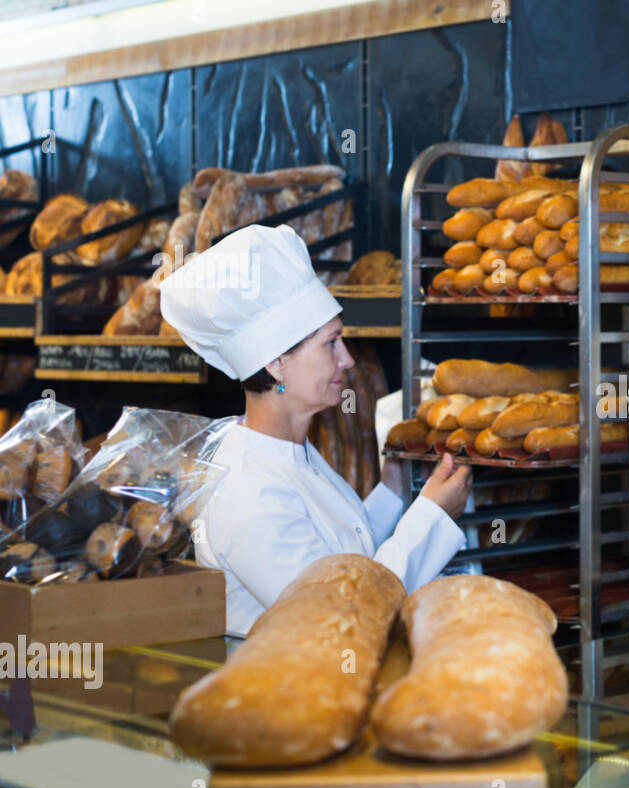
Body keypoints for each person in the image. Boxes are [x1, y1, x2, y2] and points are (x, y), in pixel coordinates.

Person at [160, 224, 471, 635]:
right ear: (276, 363)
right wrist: (432, 516)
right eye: (331, 343)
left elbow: (344, 561)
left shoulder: (291, 454)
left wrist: (391, 494)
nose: (347, 360)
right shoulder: (248, 492)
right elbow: (342, 615)